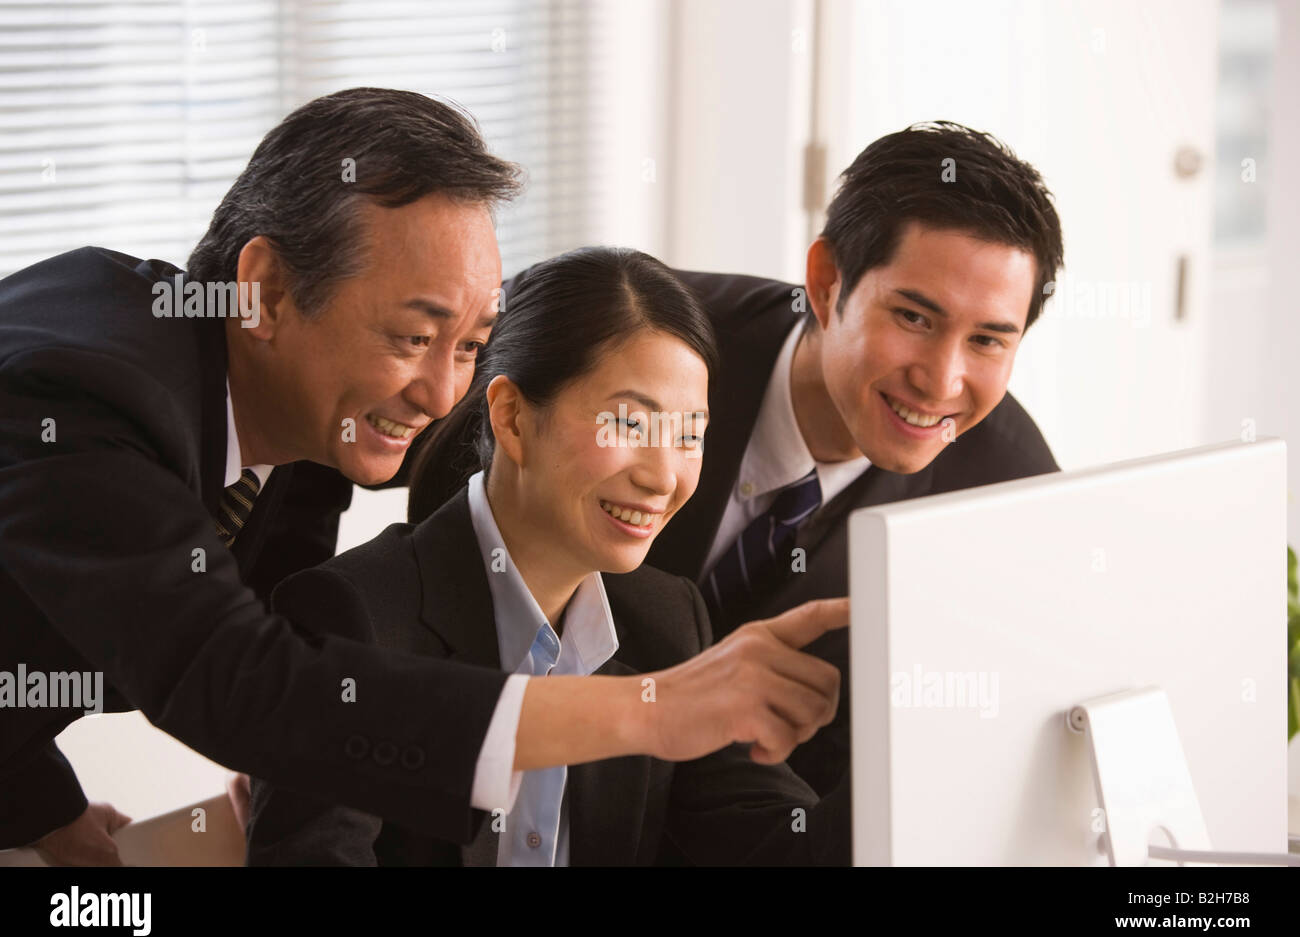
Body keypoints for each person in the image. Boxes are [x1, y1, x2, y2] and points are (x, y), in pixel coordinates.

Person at [0, 88, 845, 863]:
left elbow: (289, 690)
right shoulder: (90, 396)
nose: (445, 393)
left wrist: (37, 802)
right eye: (411, 337)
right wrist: (652, 709)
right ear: (263, 291)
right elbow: (242, 681)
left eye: (470, 346)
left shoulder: (299, 447)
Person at [247, 247, 847, 866]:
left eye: (689, 435)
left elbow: (781, 845)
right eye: (630, 426)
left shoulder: (666, 619)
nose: (664, 478)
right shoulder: (349, 616)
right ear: (510, 417)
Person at [643, 122, 1066, 796]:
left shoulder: (1007, 488)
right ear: (826, 282)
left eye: (988, 341)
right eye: (915, 319)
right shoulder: (643, 341)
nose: (941, 381)